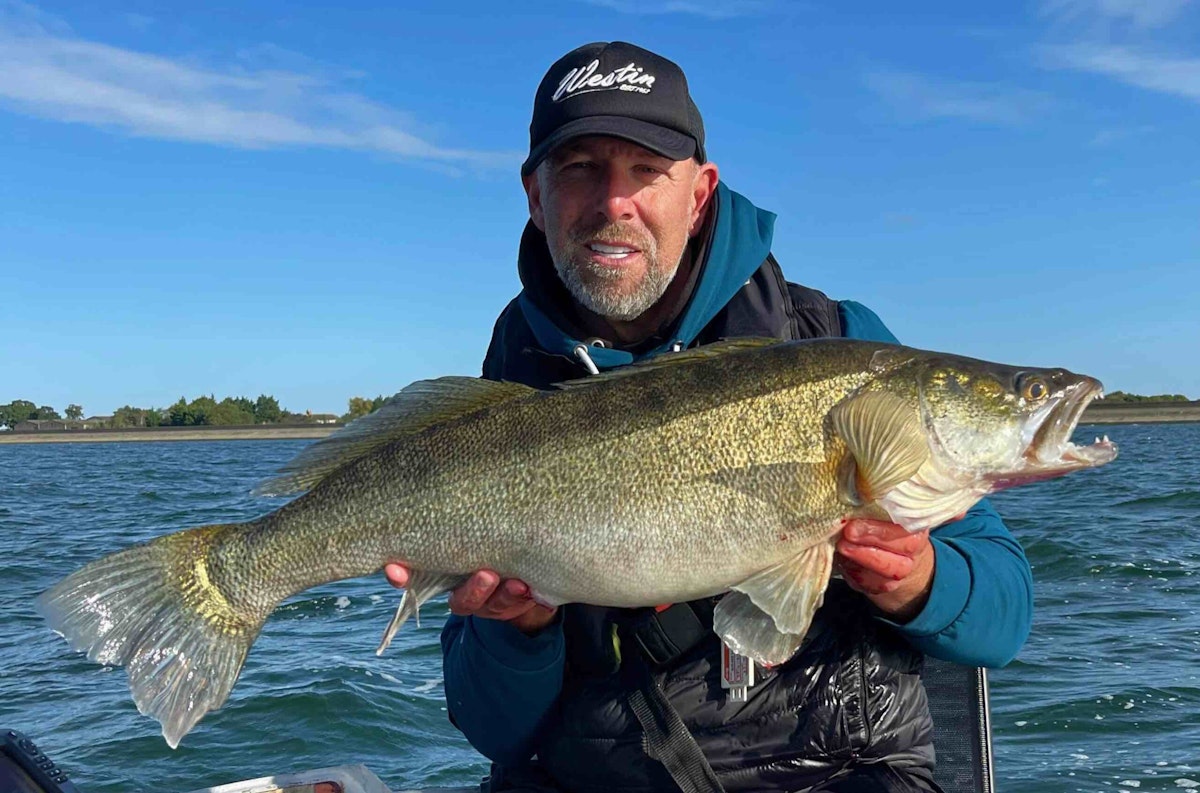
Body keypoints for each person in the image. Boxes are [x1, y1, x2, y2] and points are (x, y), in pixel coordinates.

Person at [386, 41, 1033, 793]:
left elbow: (1004, 614)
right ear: (535, 195)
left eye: (645, 170)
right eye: (581, 169)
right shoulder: (505, 398)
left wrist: (919, 579)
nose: (613, 203)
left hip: (838, 772)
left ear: (699, 194)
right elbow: (490, 724)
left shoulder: (845, 353)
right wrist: (518, 629)